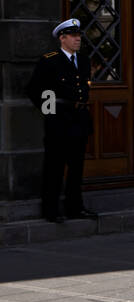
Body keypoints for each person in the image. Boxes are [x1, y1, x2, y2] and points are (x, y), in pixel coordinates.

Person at [26, 18, 97, 223]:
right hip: (60, 120)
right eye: (73, 36)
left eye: (79, 35)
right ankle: (51, 210)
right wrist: (51, 111)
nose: (78, 39)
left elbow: (83, 87)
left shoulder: (83, 60)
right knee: (55, 166)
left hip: (79, 119)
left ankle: (75, 207)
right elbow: (35, 90)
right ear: (62, 38)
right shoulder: (50, 60)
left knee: (76, 167)